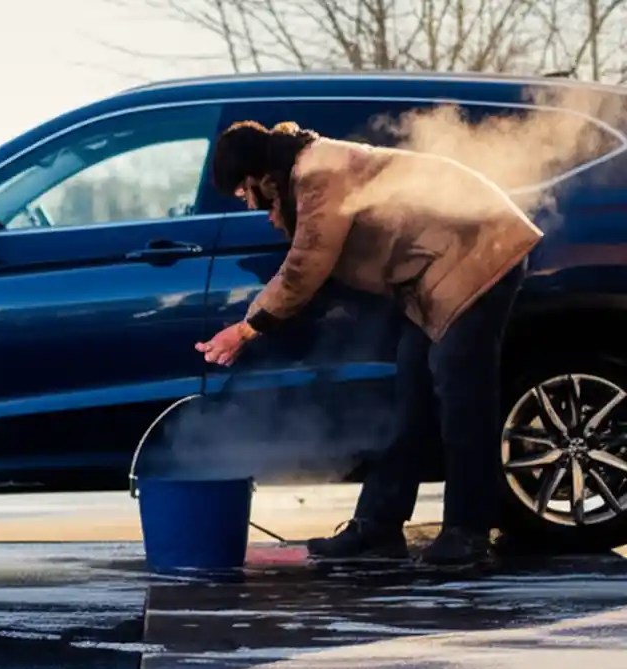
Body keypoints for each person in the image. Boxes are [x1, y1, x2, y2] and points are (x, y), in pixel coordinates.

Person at [197, 120, 542, 565]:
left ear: (260, 176)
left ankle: (468, 531)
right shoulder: (306, 173)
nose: (248, 203)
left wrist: (246, 329)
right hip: (432, 275)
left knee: (462, 397)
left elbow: (305, 265)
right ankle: (378, 526)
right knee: (411, 400)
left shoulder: (317, 173)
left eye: (244, 192)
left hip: (477, 253)